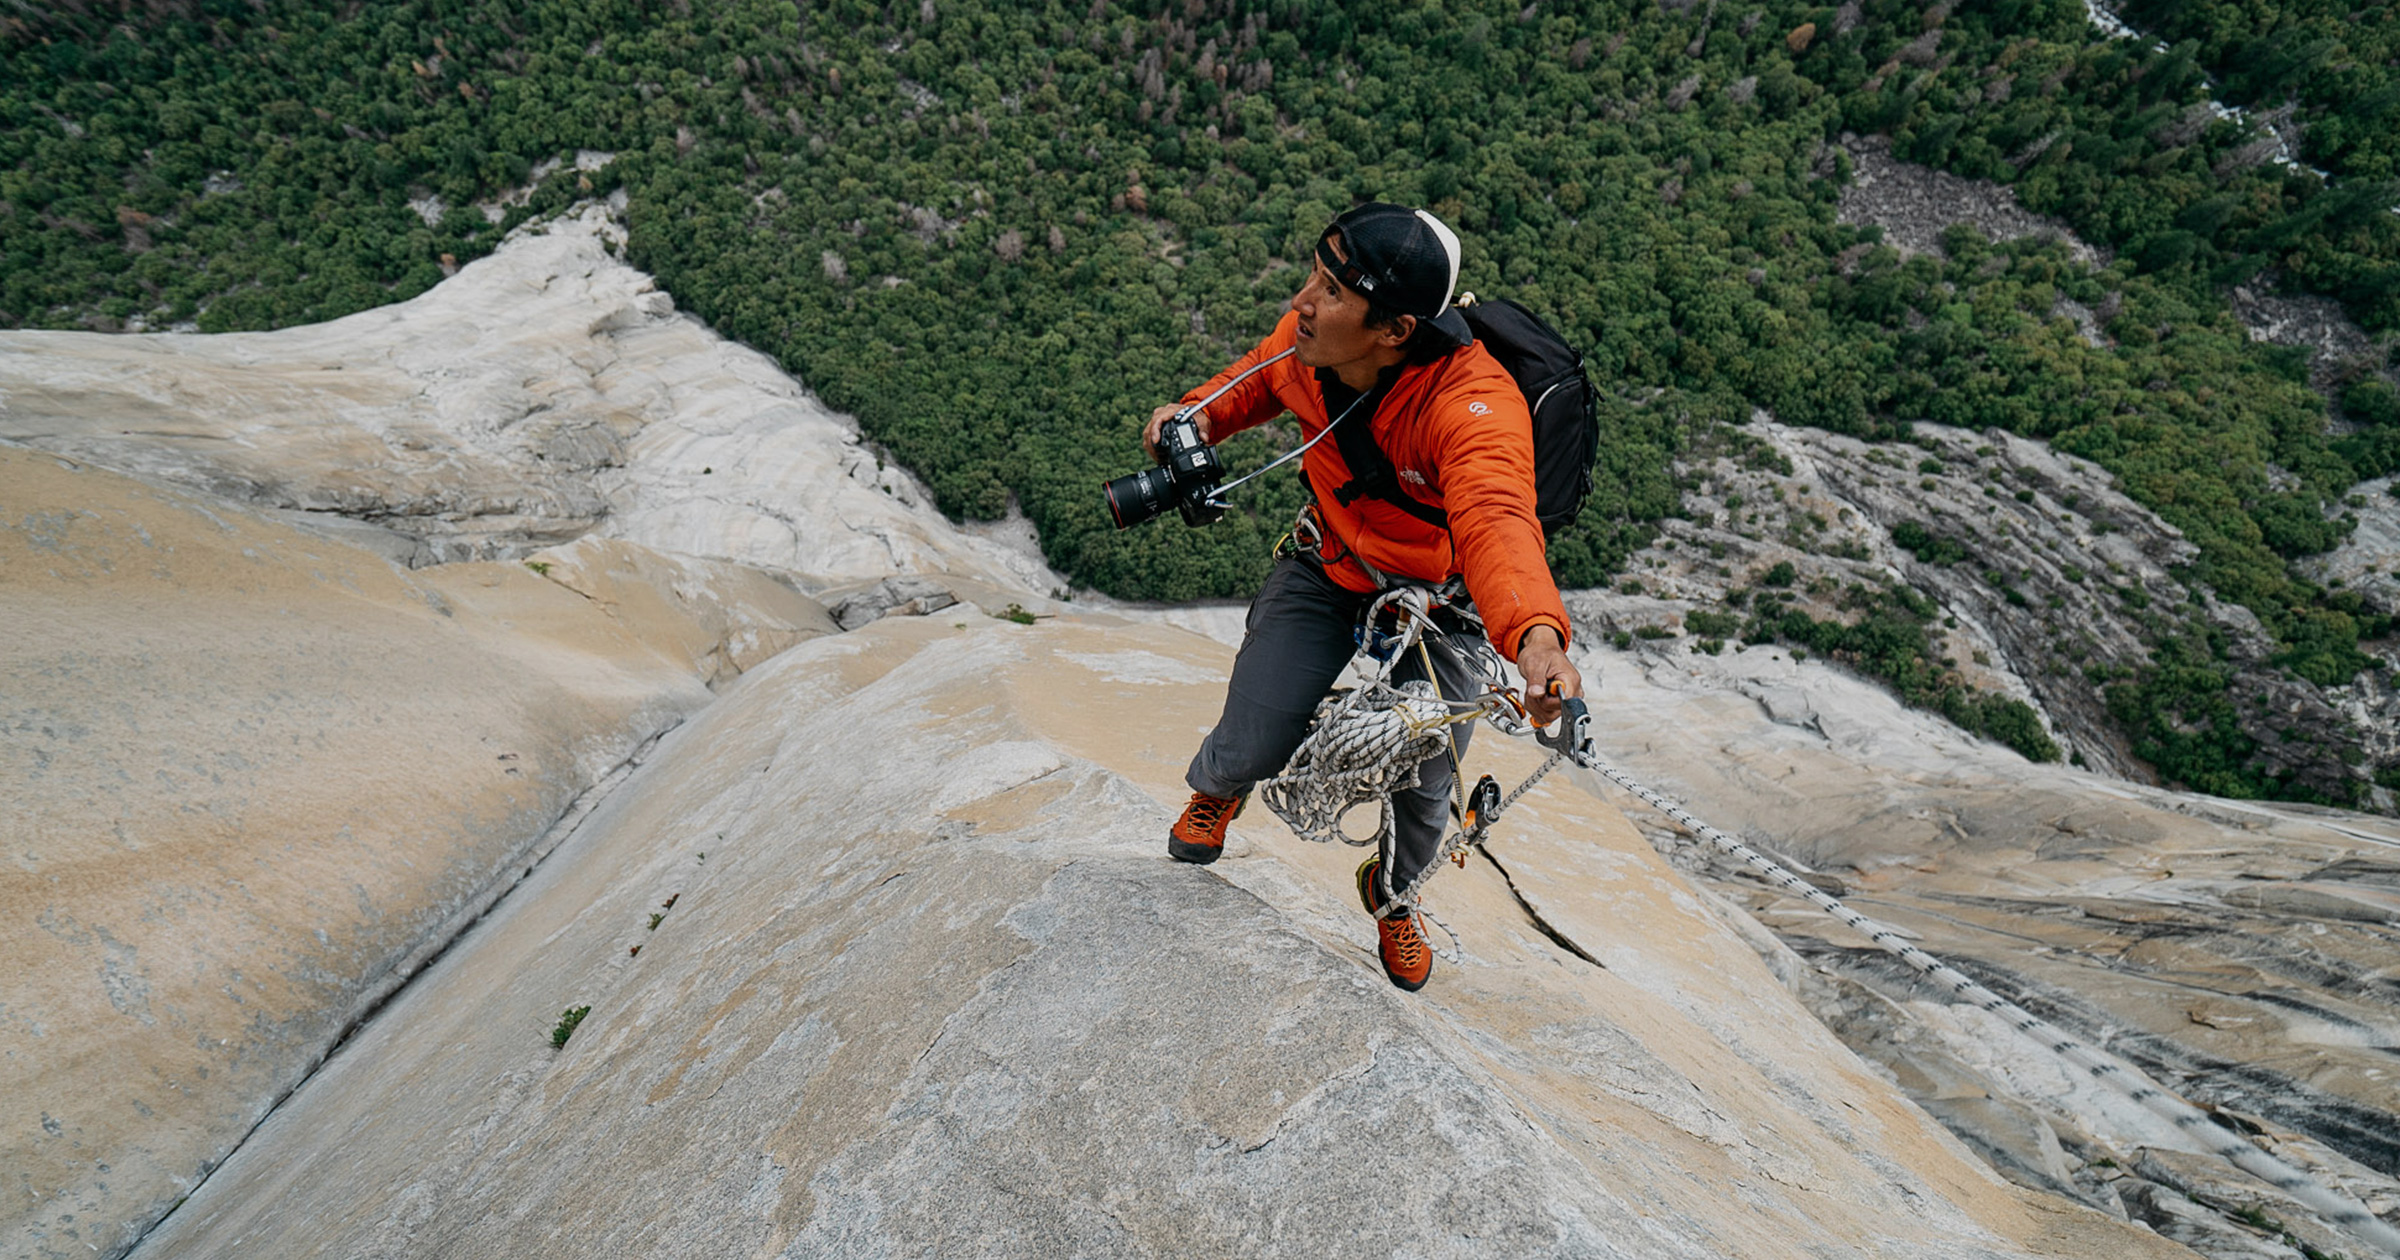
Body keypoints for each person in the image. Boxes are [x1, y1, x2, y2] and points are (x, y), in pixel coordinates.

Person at [1145, 202, 1583, 991]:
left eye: (1331, 291)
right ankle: (1219, 790)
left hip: (1437, 602)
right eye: (1313, 275)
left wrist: (1537, 641)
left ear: (1395, 330)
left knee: (1425, 786)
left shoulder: (1472, 409)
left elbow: (1496, 523)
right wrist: (1191, 422)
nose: (1301, 303)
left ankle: (1394, 896)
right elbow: (1253, 382)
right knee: (1254, 730)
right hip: (1333, 563)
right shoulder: (1309, 344)